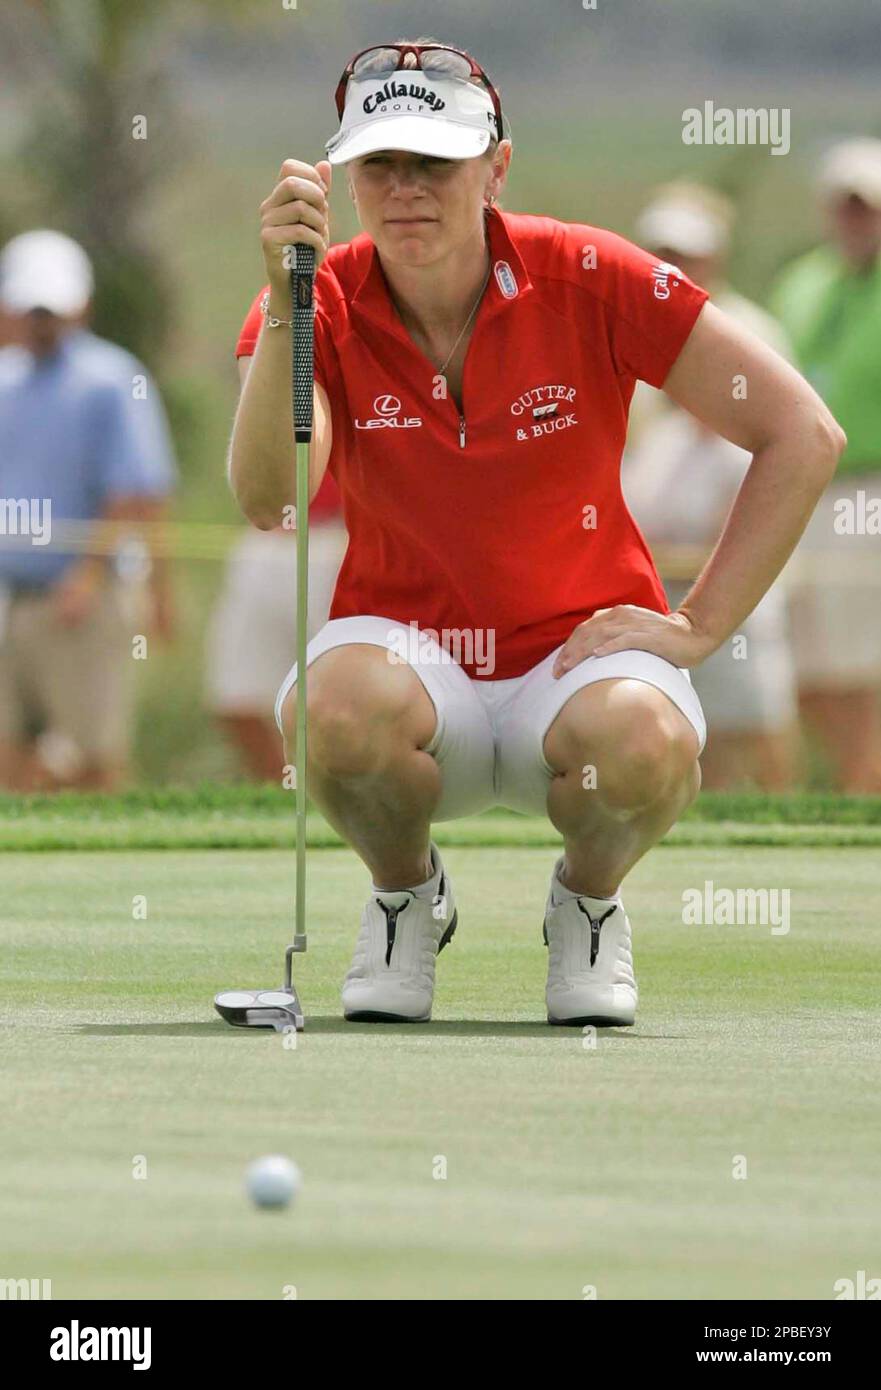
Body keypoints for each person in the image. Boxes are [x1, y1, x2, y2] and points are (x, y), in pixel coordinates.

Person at [229, 38, 844, 1027]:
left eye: (435, 161)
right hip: (408, 669)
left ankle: (585, 906)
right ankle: (405, 897)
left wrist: (696, 627)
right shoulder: (318, 295)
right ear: (346, 177)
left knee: (642, 737)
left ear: (496, 167)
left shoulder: (586, 273)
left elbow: (801, 433)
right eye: (380, 163)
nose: (405, 188)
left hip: (575, 666)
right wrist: (292, 303)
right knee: (334, 714)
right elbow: (273, 498)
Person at [624, 183, 799, 790]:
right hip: (664, 567)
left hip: (736, 555)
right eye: (662, 250)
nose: (674, 266)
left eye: (688, 253)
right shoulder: (631, 327)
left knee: (754, 724)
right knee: (688, 734)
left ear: (717, 257)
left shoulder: (752, 331)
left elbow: (784, 448)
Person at [0, 230, 177, 791]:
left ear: (81, 305)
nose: (41, 321)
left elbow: (135, 493)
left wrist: (87, 576)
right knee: (9, 754)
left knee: (94, 757)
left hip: (83, 600)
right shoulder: (4, 378)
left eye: (51, 309)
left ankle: (109, 879)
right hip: (9, 599)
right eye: (30, 309)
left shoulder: (111, 377)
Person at [770, 138, 881, 792]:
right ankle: (847, 785)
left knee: (861, 659)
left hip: (868, 491)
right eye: (844, 208)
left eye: (865, 208)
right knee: (806, 662)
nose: (854, 220)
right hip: (802, 490)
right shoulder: (801, 282)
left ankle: (863, 790)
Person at [204, 468, 347, 782]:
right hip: (265, 537)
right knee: (238, 698)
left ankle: (339, 800)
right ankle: (288, 793)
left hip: (338, 537)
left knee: (341, 699)